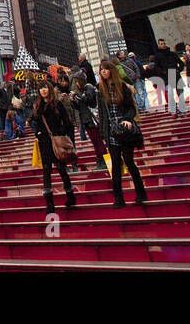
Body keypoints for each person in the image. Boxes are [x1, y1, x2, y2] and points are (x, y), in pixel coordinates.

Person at [96, 60, 147, 207]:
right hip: (112, 132)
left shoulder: (122, 87)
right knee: (116, 165)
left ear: (112, 70)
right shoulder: (101, 90)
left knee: (129, 162)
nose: (103, 72)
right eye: (101, 70)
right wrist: (103, 133)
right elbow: (102, 114)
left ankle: (141, 194)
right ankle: (118, 198)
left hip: (124, 130)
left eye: (106, 69)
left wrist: (127, 119)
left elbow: (131, 108)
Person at [30, 81, 76, 213]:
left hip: (57, 140)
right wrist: (38, 134)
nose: (43, 91)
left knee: (61, 168)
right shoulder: (38, 106)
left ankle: (70, 194)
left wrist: (59, 132)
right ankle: (49, 203)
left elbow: (67, 122)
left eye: (45, 88)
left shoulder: (57, 104)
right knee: (46, 170)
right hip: (44, 143)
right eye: (41, 89)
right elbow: (36, 122)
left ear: (49, 89)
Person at [71, 75, 107, 170]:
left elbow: (89, 100)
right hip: (86, 120)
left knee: (98, 141)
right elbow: (80, 107)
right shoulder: (83, 91)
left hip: (92, 119)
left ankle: (104, 161)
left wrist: (76, 96)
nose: (77, 85)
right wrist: (73, 101)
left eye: (77, 82)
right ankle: (100, 160)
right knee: (95, 142)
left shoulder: (88, 87)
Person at [152, 39, 184, 114]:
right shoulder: (157, 56)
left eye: (164, 43)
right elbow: (156, 68)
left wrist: (178, 70)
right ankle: (173, 111)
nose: (163, 45)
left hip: (176, 75)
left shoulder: (172, 54)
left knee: (180, 93)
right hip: (166, 77)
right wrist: (163, 73)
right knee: (170, 94)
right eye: (161, 44)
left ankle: (182, 109)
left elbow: (181, 63)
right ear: (159, 45)